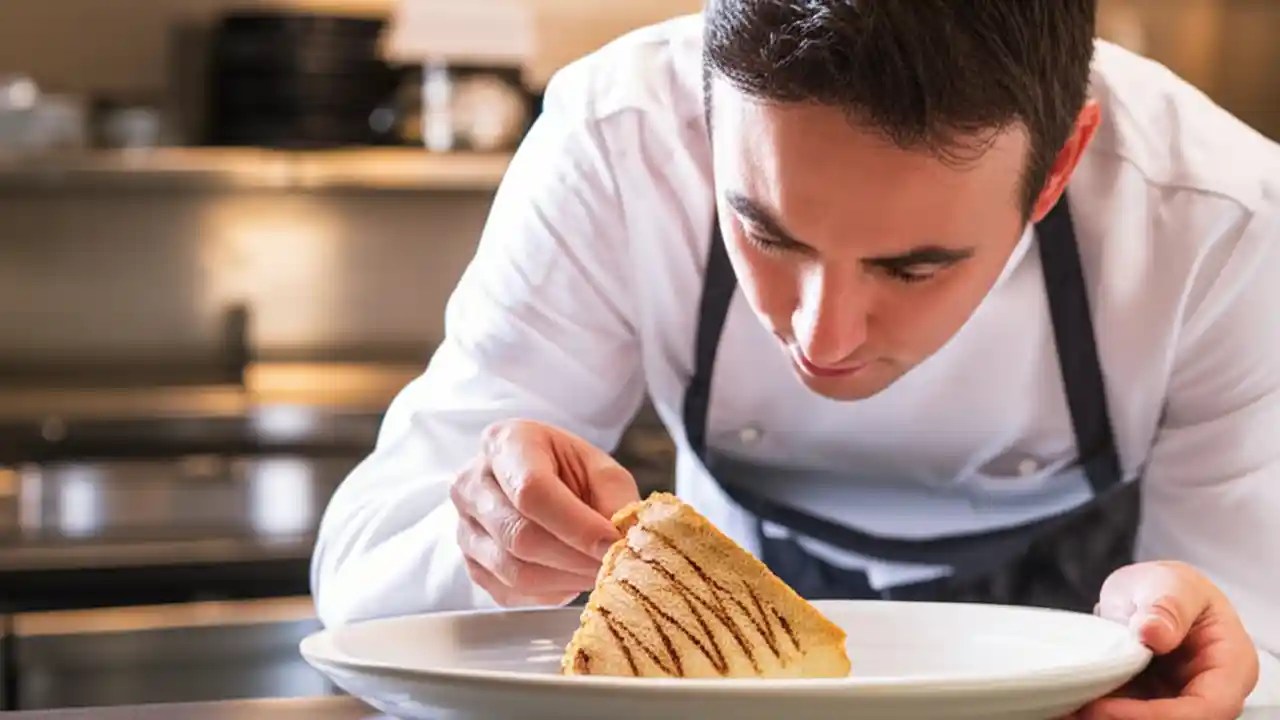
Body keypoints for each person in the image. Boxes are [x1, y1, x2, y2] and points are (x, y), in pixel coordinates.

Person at [312, 2, 1280, 717]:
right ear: (703, 115)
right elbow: (358, 591)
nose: (822, 341)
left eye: (913, 266)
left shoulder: (1219, 219)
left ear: (1060, 165)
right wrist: (481, 537)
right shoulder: (618, 140)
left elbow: (1256, 636)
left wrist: (1207, 669)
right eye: (763, 231)